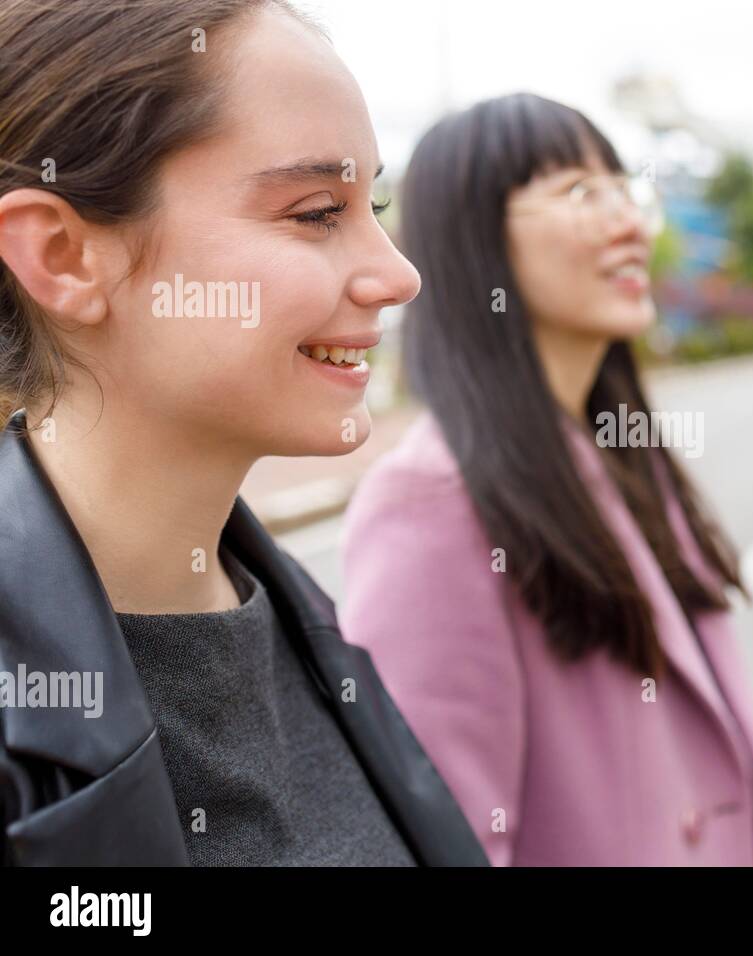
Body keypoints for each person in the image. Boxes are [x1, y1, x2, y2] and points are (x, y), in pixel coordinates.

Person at [0, 0, 485, 866]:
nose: (398, 273)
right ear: (63, 256)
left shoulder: (305, 623)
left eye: (371, 202)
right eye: (314, 212)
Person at [340, 93, 753, 866]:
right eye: (581, 193)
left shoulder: (626, 457)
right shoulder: (434, 504)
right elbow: (444, 844)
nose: (631, 225)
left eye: (625, 190)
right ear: (476, 241)